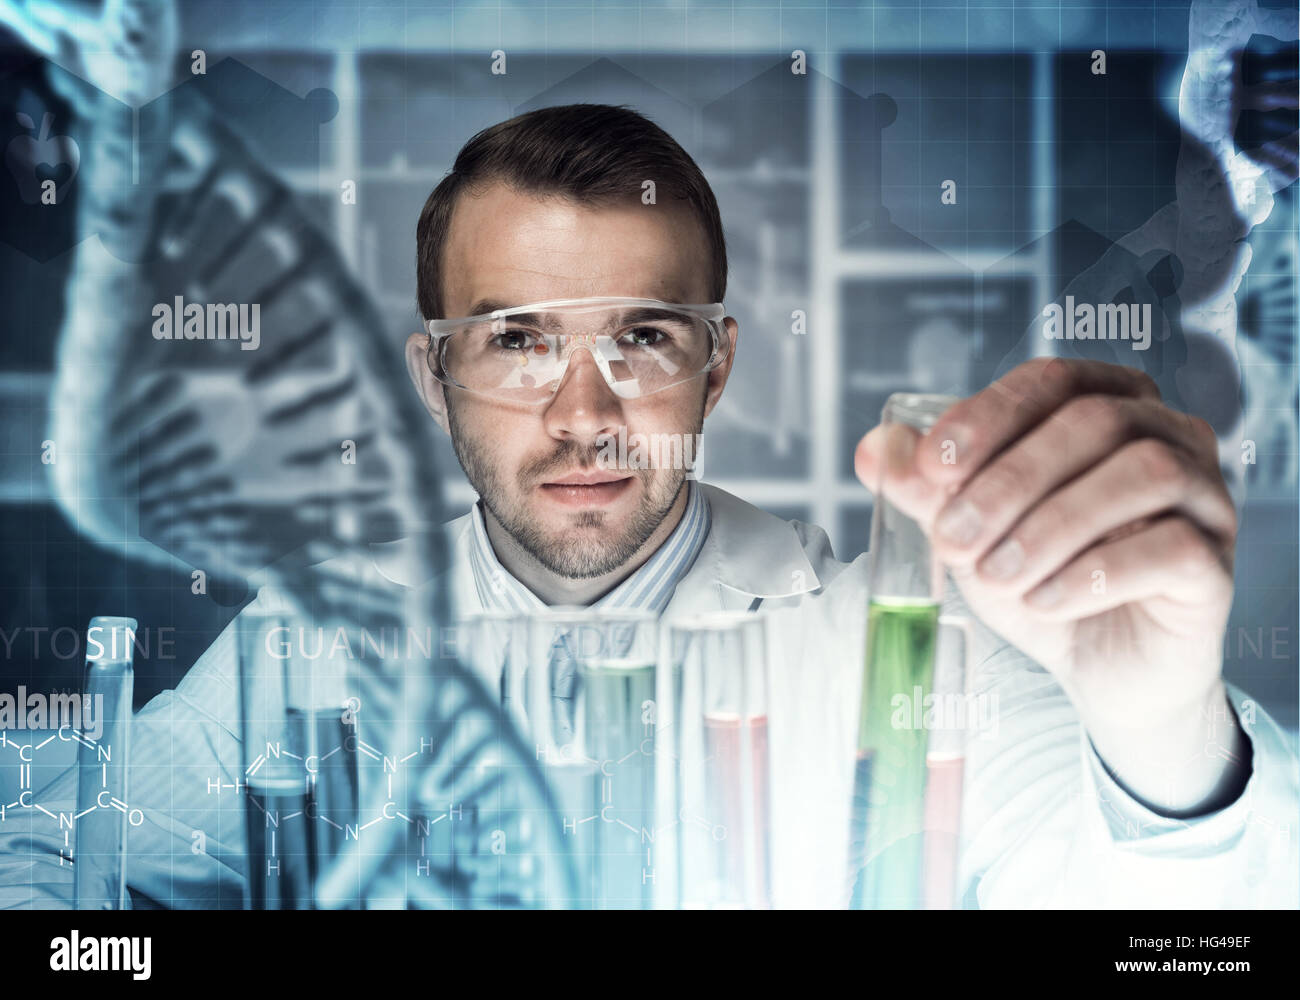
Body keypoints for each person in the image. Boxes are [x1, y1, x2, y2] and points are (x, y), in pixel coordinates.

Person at [2, 103, 1295, 909]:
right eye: (515, 340)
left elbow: (1178, 929)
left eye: (643, 338)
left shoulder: (882, 638)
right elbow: (59, 876)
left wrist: (1165, 739)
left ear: (716, 365)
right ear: (434, 370)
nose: (583, 414)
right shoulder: (323, 635)